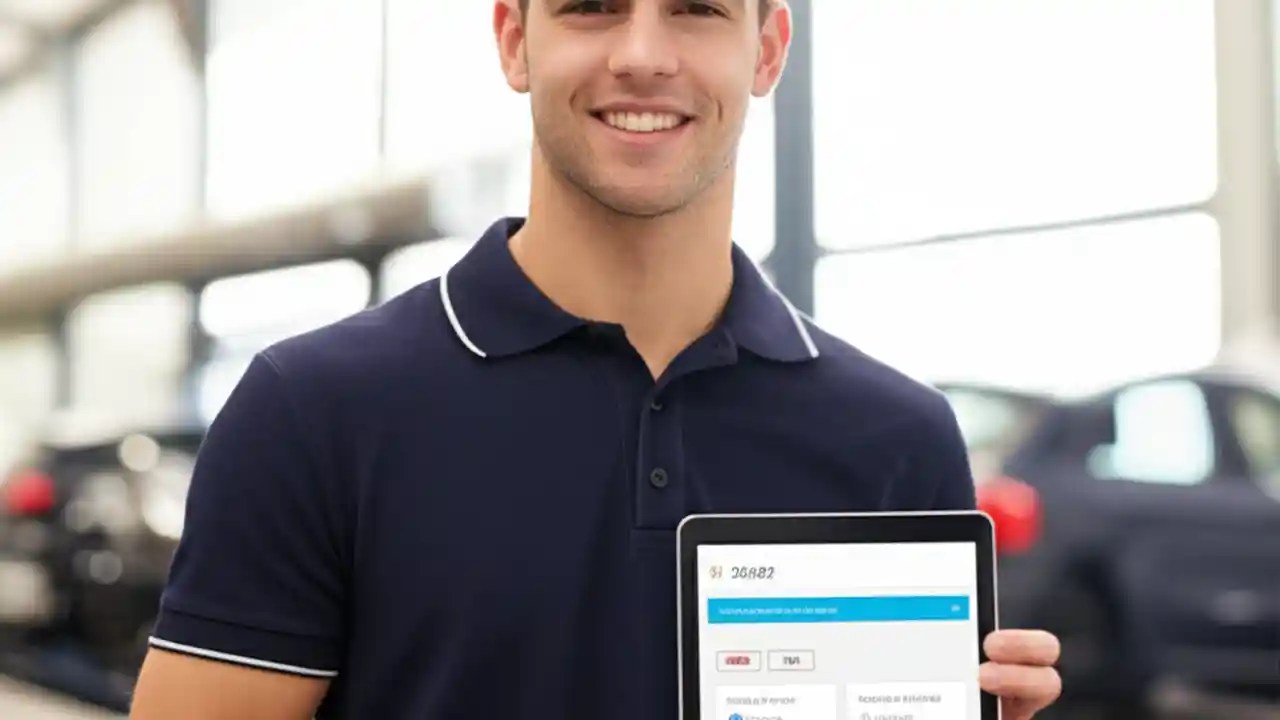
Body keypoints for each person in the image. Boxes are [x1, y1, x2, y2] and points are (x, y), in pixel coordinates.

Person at [130, 1, 1062, 718]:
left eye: (697, 8)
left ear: (768, 48)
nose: (644, 54)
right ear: (513, 38)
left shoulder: (896, 437)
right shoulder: (312, 412)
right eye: (592, 5)